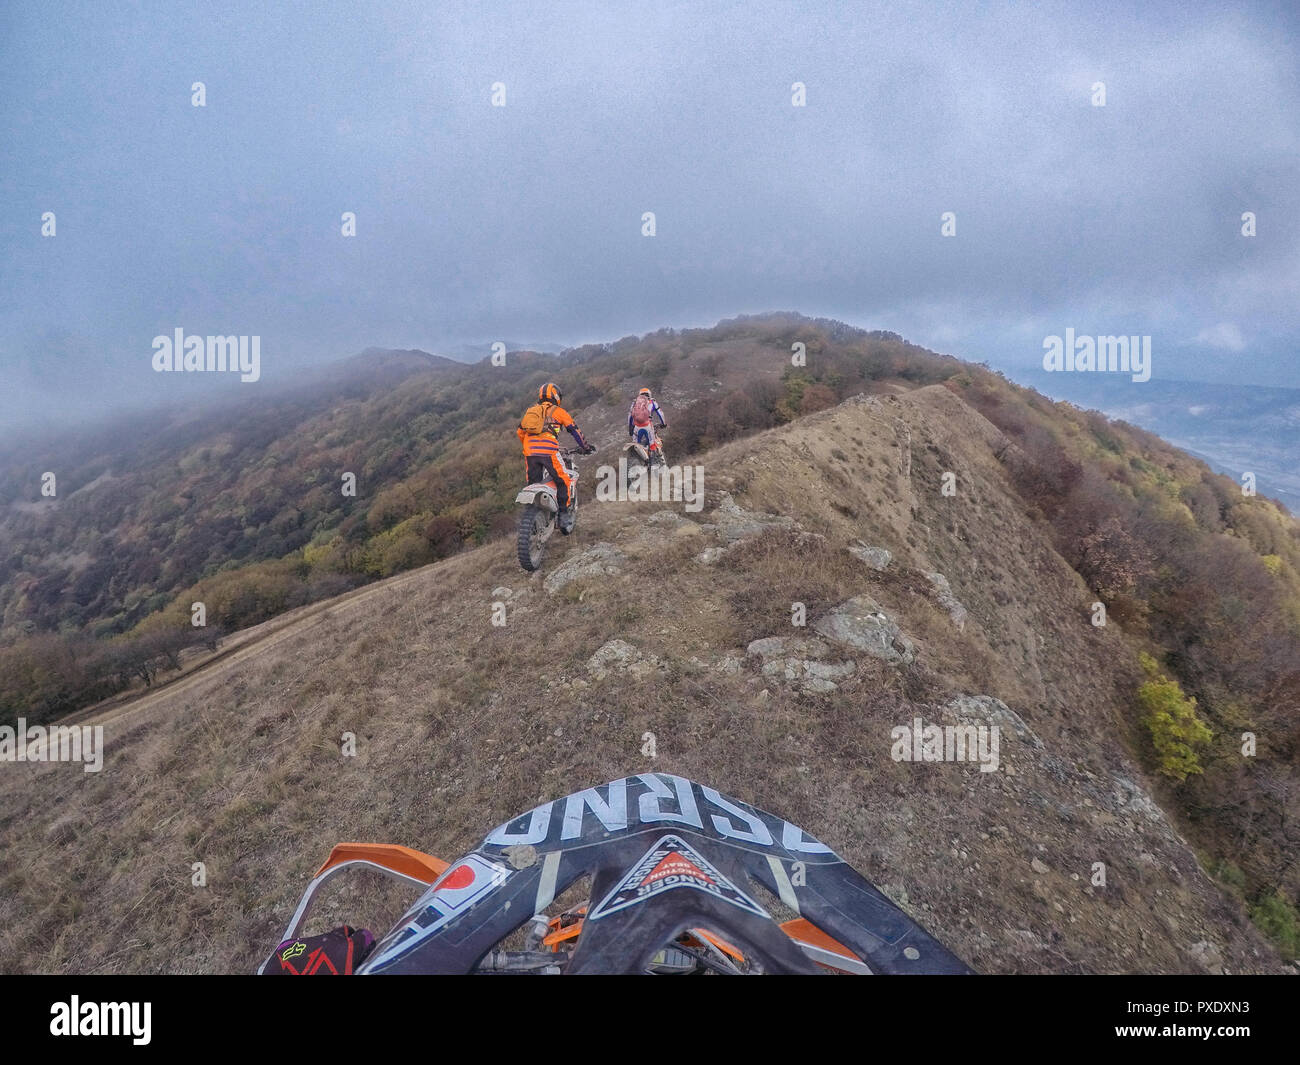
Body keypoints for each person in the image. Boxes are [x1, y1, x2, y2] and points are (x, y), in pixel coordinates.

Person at [517, 382, 594, 533]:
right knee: (563, 480)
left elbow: (520, 432)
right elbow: (575, 431)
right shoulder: (559, 412)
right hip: (549, 452)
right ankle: (564, 516)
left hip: (530, 453)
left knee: (533, 483)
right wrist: (585, 447)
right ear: (556, 396)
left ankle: (533, 518)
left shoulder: (531, 411)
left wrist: (530, 445)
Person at [628, 387, 667, 455]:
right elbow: (660, 413)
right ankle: (656, 461)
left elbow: (630, 416)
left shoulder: (635, 403)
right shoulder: (653, 402)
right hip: (648, 426)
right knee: (652, 444)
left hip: (636, 427)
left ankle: (639, 459)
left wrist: (630, 428)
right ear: (649, 394)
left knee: (636, 445)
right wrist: (663, 423)